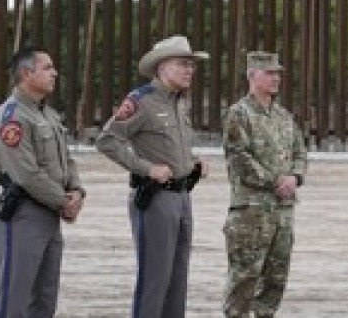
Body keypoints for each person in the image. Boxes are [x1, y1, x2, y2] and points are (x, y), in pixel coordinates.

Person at [96, 35, 210, 318]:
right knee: (154, 281)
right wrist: (147, 169)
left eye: (192, 66)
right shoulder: (141, 101)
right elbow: (107, 141)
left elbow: (168, 146)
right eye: (183, 64)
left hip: (182, 197)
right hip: (156, 200)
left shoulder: (178, 102)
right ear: (162, 68)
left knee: (177, 280)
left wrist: (192, 163)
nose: (189, 70)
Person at [0, 46, 86, 317]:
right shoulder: (12, 117)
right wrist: (63, 202)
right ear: (26, 73)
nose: (55, 73)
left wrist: (76, 191)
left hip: (50, 216)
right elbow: (27, 173)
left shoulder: (47, 115)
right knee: (15, 302)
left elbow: (67, 159)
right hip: (23, 216)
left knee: (44, 301)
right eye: (48, 67)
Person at [221, 51, 307, 318]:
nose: (276, 78)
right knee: (244, 280)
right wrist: (274, 181)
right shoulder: (239, 114)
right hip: (251, 212)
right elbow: (239, 158)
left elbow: (300, 153)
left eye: (277, 73)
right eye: (269, 73)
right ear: (252, 75)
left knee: (275, 280)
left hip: (282, 211)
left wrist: (295, 177)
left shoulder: (283, 116)